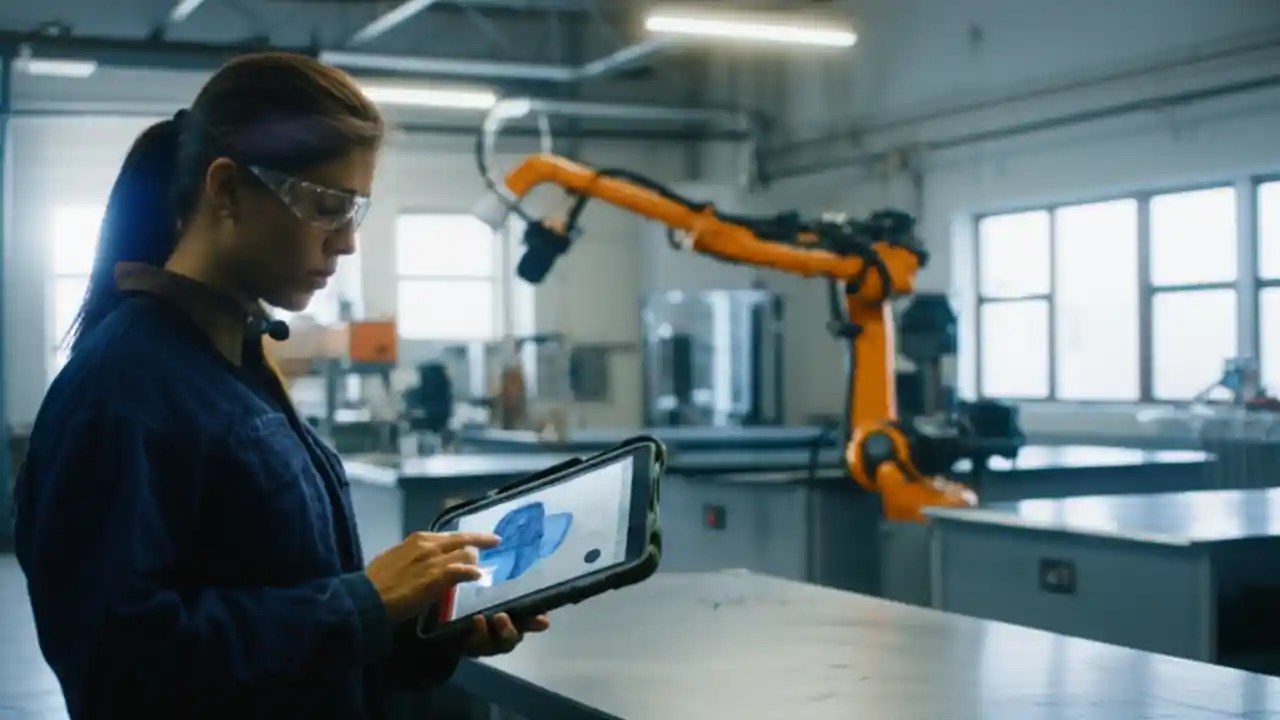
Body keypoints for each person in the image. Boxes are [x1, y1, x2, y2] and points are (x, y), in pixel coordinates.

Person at [13, 52, 548, 719]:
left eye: (358, 210)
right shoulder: (123, 393)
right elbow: (120, 668)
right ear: (228, 190)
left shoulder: (235, 366)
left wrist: (418, 629)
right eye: (327, 206)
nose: (347, 242)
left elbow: (286, 636)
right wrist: (365, 601)